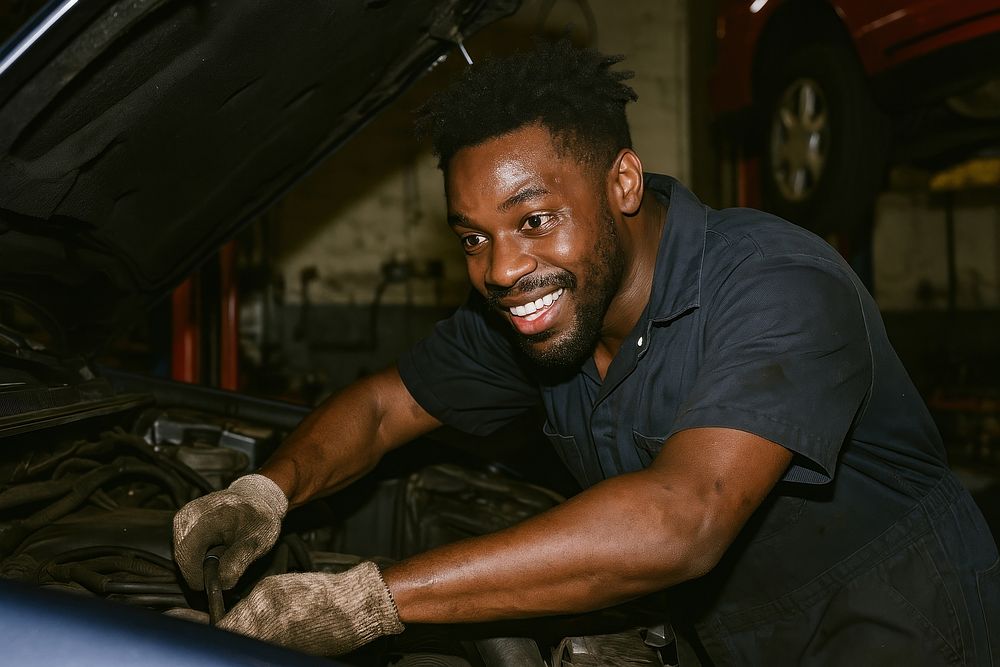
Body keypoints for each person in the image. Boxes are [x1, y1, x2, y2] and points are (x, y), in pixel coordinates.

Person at [173, 41, 999, 665]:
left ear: (624, 183)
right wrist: (265, 489)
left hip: (911, 625)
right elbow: (387, 407)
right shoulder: (535, 314)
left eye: (533, 219)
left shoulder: (775, 280)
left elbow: (685, 518)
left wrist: (369, 600)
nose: (500, 270)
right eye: (473, 236)